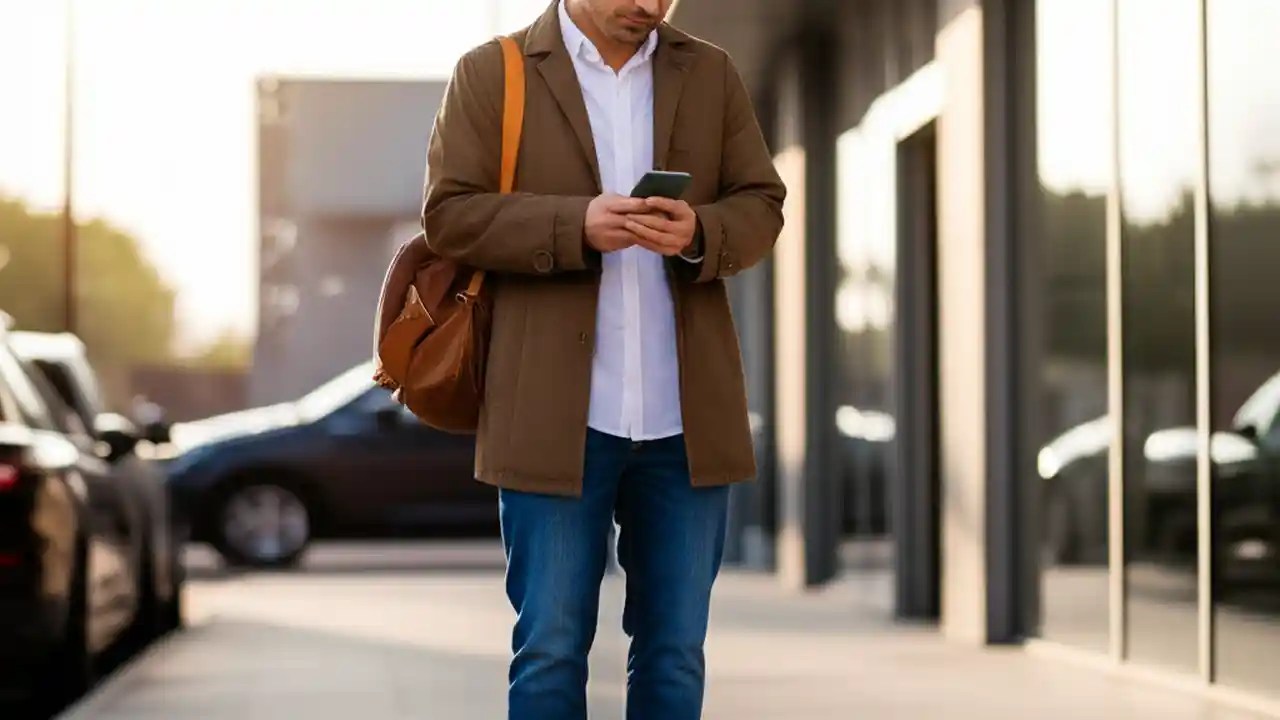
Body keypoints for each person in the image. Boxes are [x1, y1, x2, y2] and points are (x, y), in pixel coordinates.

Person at [421, 1, 785, 718]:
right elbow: (448, 214)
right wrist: (574, 224)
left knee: (674, 656)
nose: (651, 5)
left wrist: (700, 231)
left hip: (687, 424)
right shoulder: (494, 72)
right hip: (551, 419)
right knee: (551, 652)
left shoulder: (710, 73)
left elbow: (762, 202)